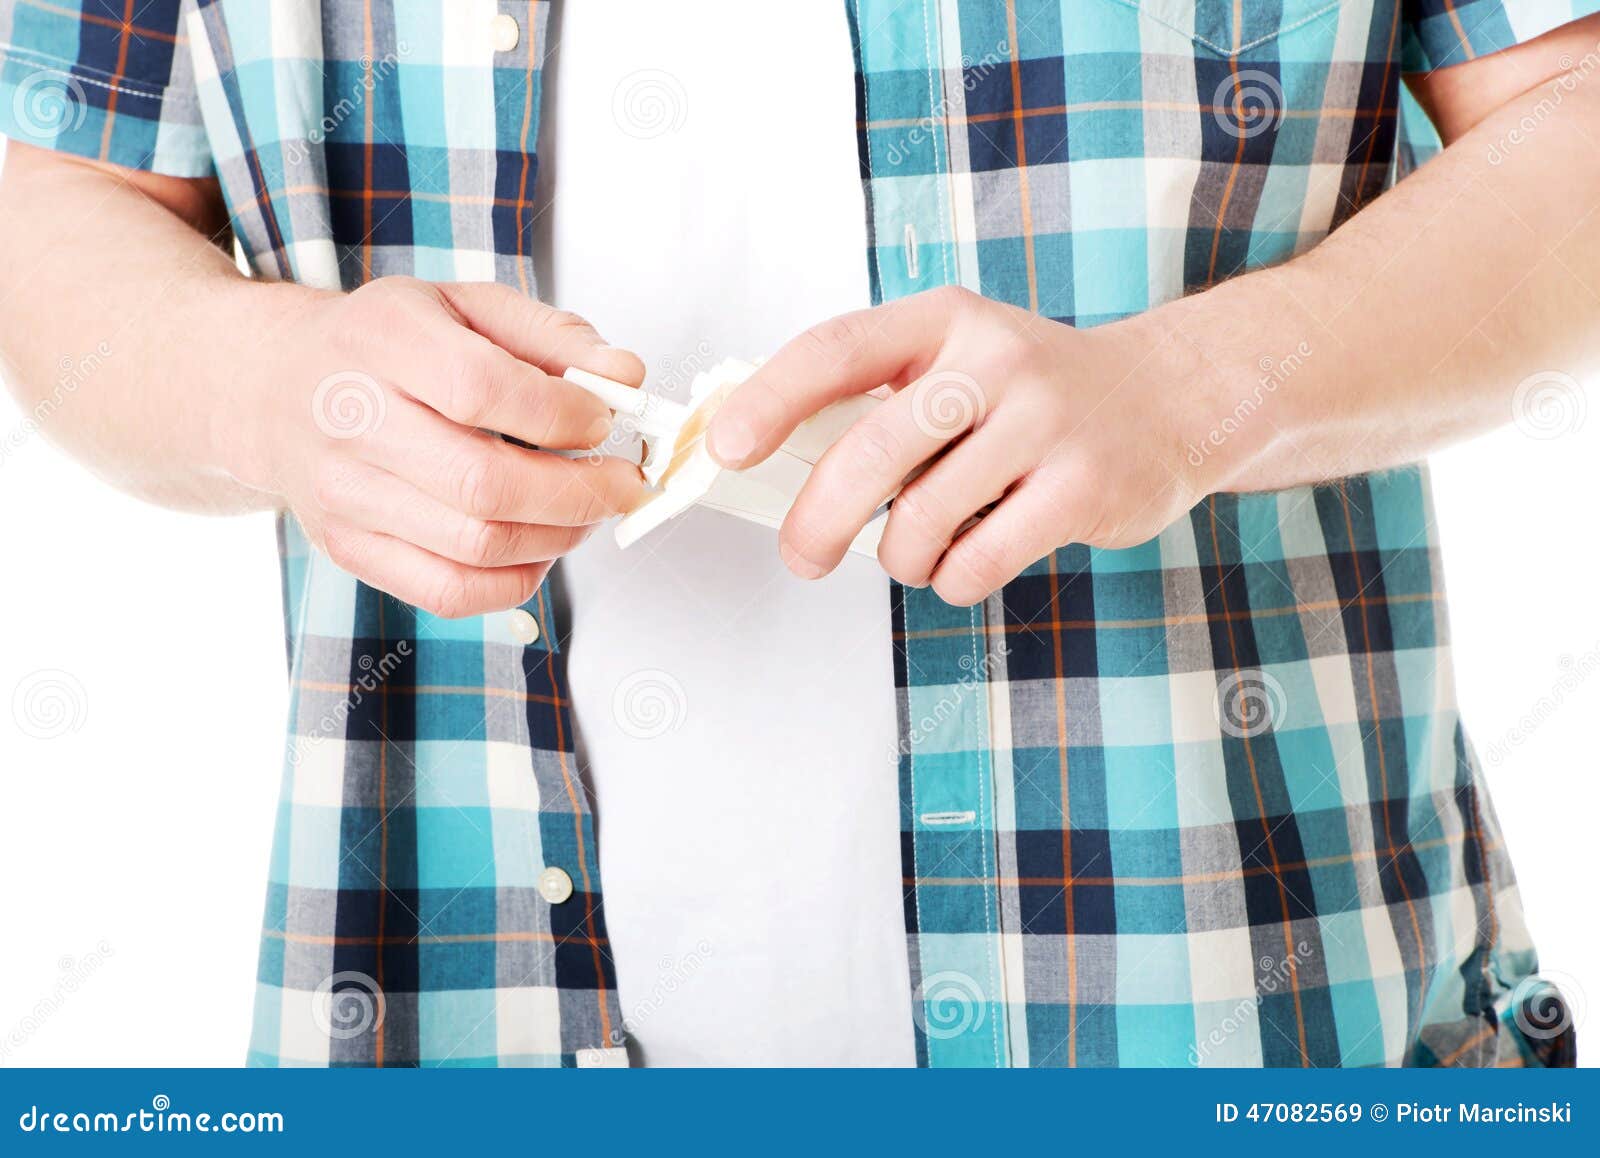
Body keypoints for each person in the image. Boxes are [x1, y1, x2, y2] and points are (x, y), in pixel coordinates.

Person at [0, 0, 1592, 1068]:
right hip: (445, 1020)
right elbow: (60, 187)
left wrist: (1190, 390)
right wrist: (274, 388)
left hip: (1239, 1012)